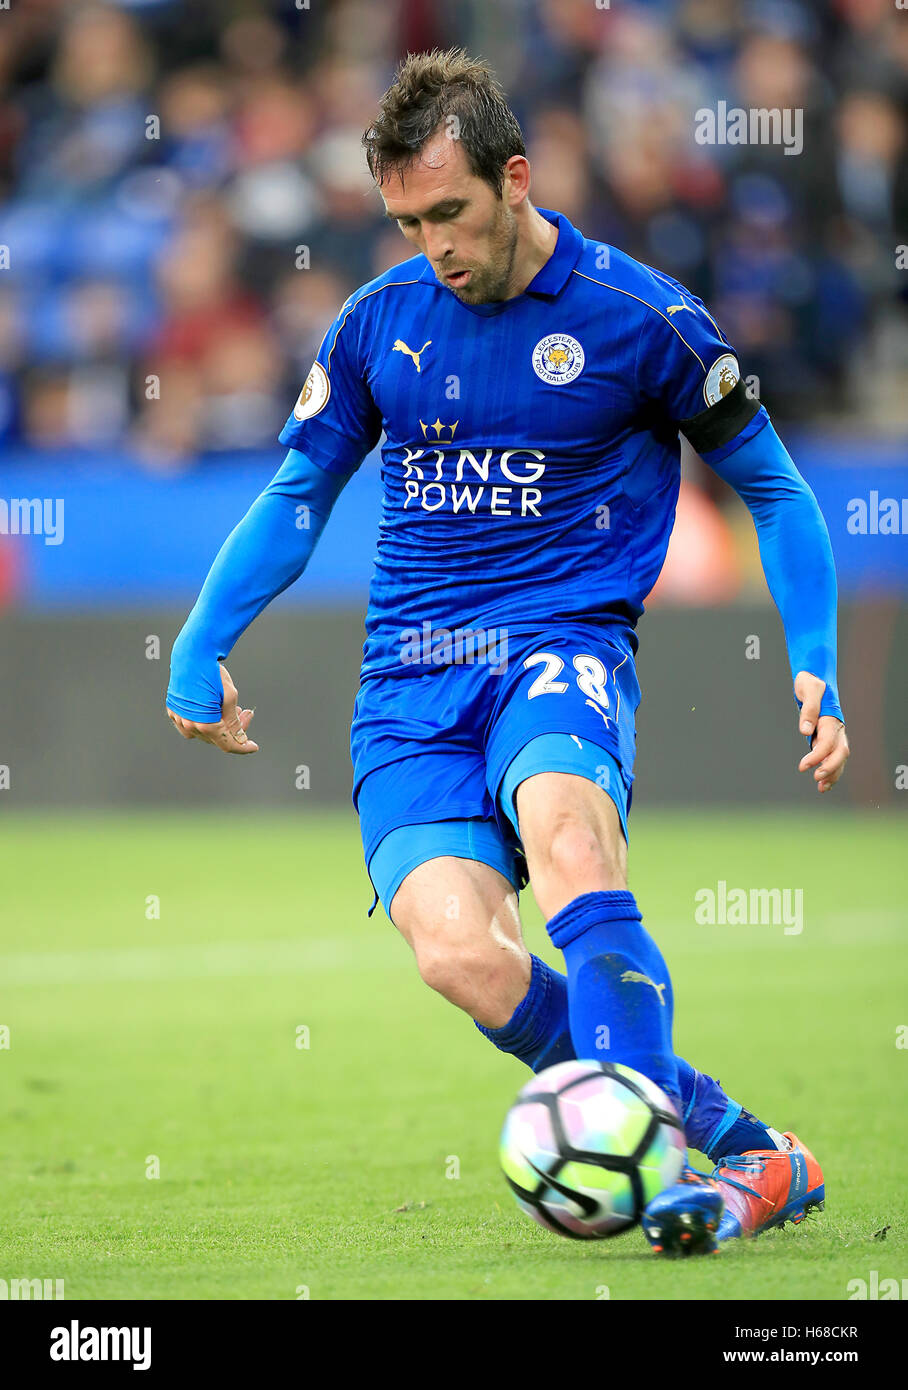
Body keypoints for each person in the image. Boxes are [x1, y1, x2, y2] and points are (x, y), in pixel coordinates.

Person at [166, 50, 848, 1255]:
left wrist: (811, 656)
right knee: (460, 959)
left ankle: (655, 1167)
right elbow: (293, 500)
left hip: (557, 645)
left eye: (450, 212)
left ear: (514, 179)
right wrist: (200, 644)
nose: (432, 243)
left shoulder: (639, 319)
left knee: (569, 838)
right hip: (410, 684)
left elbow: (776, 491)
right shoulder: (379, 324)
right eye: (405, 221)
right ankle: (744, 1147)